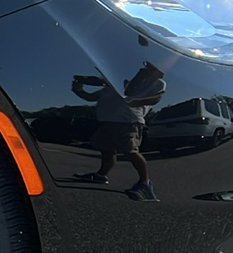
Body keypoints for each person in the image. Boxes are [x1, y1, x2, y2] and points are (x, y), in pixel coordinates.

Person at [71, 62, 167, 200]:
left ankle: (145, 184)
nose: (142, 69)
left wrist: (134, 100)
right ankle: (100, 175)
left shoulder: (155, 83)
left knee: (131, 151)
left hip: (128, 122)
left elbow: (156, 98)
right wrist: (78, 89)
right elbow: (90, 97)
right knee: (107, 150)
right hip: (107, 122)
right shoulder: (110, 87)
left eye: (148, 68)